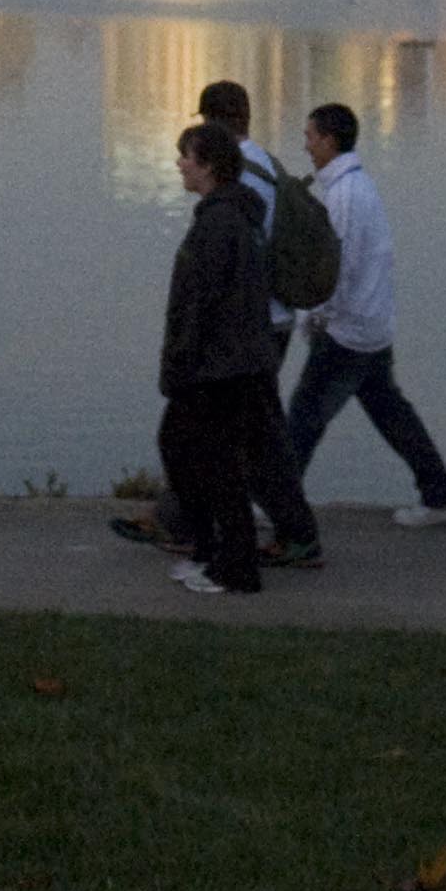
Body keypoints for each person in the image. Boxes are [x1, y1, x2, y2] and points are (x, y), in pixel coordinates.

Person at [118, 82, 325, 566]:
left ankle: (238, 540)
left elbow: (220, 276)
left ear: (213, 127)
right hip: (266, 323)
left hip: (243, 333)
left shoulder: (240, 181)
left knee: (240, 442)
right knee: (232, 436)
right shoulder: (269, 167)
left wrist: (188, 353)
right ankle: (188, 523)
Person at [281, 103, 446, 528]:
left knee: (305, 413)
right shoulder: (357, 186)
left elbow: (337, 264)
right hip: (372, 325)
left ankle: (279, 503)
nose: (305, 145)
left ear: (329, 140)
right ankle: (441, 492)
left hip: (348, 330)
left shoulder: (344, 195)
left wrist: (316, 315)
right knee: (390, 412)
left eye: (309, 136)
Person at [155, 120, 277, 595]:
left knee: (213, 463)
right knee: (188, 451)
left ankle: (236, 567)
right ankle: (211, 552)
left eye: (187, 156)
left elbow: (199, 304)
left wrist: (179, 367)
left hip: (217, 369)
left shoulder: (219, 224)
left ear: (207, 166)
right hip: (231, 363)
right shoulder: (229, 217)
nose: (179, 164)